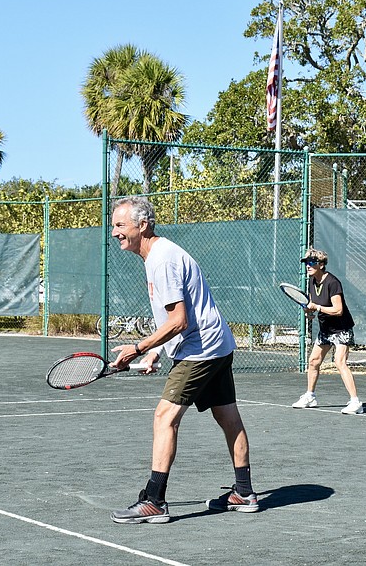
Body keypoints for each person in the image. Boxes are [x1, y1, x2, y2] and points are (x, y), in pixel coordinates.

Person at [108, 196, 258, 524]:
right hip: (216, 344)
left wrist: (136, 346)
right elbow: (175, 319)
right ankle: (243, 492)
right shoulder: (159, 255)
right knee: (228, 417)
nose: (115, 232)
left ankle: (154, 500)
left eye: (120, 225)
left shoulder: (161, 259)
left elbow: (179, 321)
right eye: (114, 226)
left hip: (200, 349)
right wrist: (154, 351)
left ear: (142, 225)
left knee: (165, 417)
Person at [291, 248, 363, 415]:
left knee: (339, 362)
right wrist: (309, 312)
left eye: (311, 263)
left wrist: (317, 307)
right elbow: (313, 308)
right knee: (313, 361)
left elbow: (338, 310)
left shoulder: (332, 283)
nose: (308, 266)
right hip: (326, 329)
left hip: (341, 328)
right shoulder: (311, 281)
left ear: (321, 264)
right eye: (306, 263)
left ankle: (355, 402)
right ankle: (310, 396)